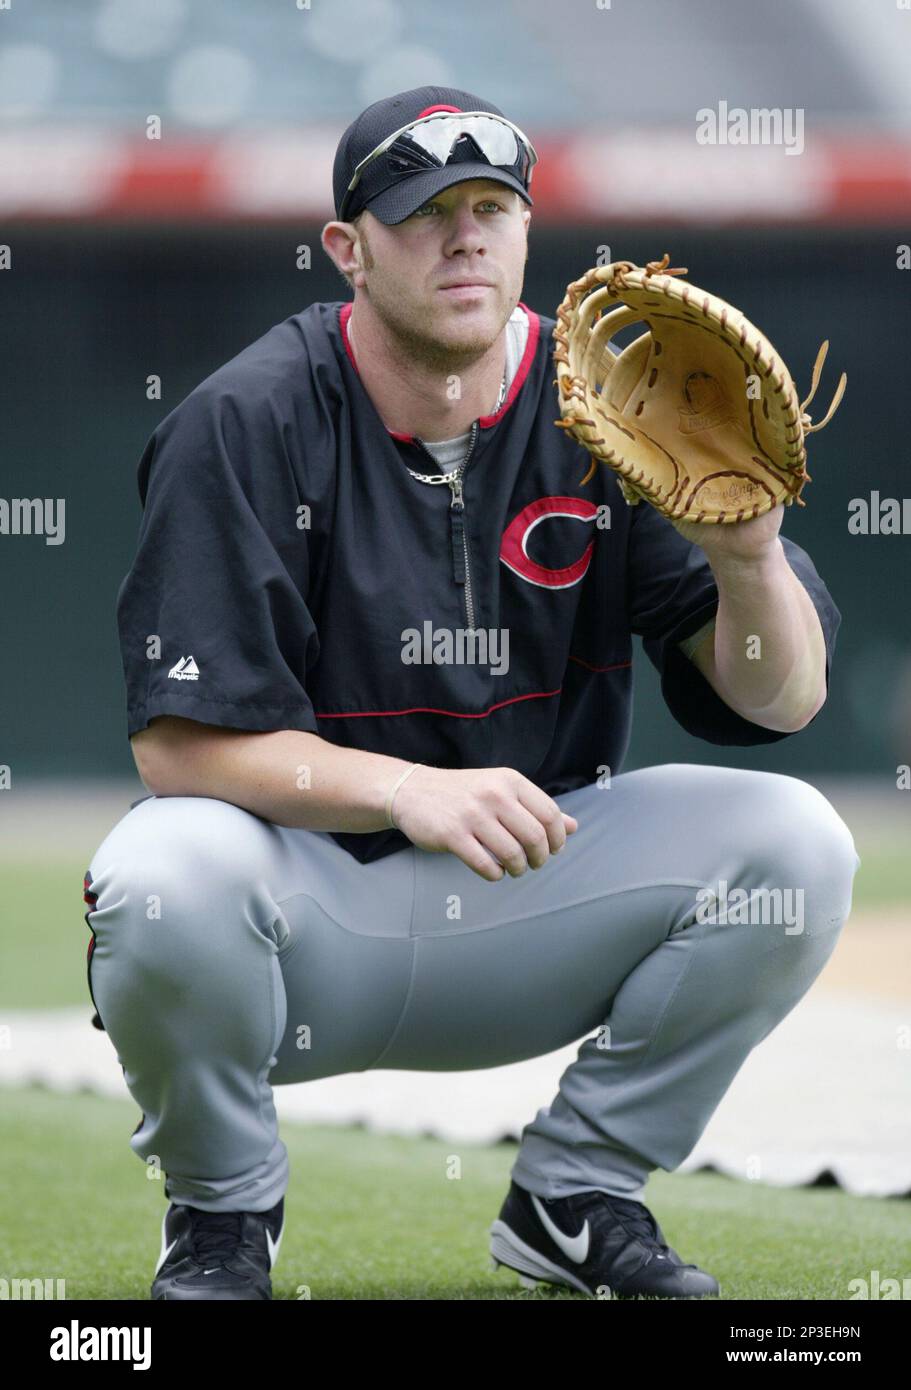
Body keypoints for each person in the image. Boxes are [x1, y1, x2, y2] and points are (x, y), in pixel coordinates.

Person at [83, 85, 860, 1301]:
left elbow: (778, 705)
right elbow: (179, 750)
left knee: (794, 842)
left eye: (490, 207)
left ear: (525, 231)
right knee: (160, 873)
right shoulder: (245, 419)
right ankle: (223, 1214)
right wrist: (410, 789)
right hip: (306, 924)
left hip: (528, 899)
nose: (464, 237)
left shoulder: (615, 405)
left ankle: (574, 1193)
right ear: (347, 249)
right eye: (424, 211)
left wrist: (748, 555)